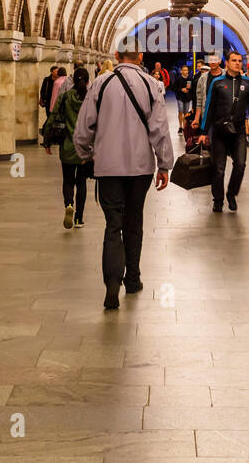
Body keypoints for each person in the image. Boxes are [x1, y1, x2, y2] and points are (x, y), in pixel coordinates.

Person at [73, 39, 174, 310]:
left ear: (117, 55)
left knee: (112, 224)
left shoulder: (101, 83)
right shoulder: (151, 85)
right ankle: (134, 279)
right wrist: (164, 165)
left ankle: (112, 283)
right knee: (134, 221)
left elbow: (83, 128)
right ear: (140, 56)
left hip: (108, 167)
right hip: (140, 168)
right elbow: (160, 129)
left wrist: (86, 155)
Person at [199, 51, 249, 212]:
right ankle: (218, 199)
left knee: (240, 164)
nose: (238, 63)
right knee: (219, 168)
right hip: (219, 131)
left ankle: (231, 193)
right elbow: (209, 107)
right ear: (227, 63)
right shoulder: (217, 83)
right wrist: (203, 131)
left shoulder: (247, 83)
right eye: (234, 60)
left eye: (239, 61)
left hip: (238, 131)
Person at [44, 66, 92, 229]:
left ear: (72, 80)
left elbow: (52, 118)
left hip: (67, 146)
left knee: (68, 180)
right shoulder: (91, 100)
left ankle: (68, 205)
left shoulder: (64, 97)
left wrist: (47, 141)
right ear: (87, 81)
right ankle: (79, 219)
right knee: (82, 183)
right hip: (85, 149)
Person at [191, 54, 224, 131]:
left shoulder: (226, 75)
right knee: (209, 141)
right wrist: (196, 119)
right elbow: (199, 100)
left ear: (219, 61)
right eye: (210, 60)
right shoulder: (203, 78)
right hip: (207, 117)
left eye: (215, 60)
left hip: (224, 117)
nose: (212, 62)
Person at [170, 65, 195, 135]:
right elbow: (173, 88)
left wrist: (190, 90)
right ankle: (180, 127)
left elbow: (193, 88)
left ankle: (184, 127)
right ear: (181, 71)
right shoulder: (178, 79)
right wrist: (181, 89)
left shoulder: (190, 79)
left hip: (187, 98)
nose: (185, 71)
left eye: (186, 70)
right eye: (184, 70)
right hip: (180, 97)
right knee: (180, 111)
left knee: (186, 113)